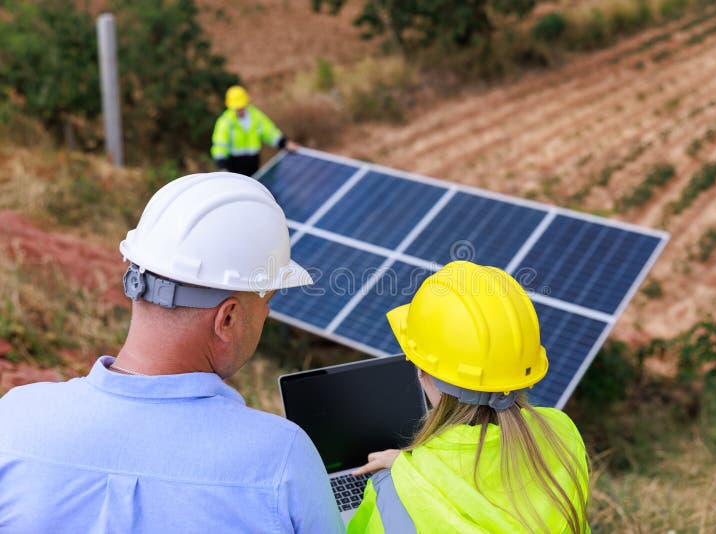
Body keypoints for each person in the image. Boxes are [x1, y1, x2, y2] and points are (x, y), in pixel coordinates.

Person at [0, 172, 345, 533]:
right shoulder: (281, 460)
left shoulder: (13, 418)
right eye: (266, 302)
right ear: (227, 317)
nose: (267, 315)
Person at [347, 261, 590, 533]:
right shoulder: (563, 436)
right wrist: (410, 468)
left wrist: (404, 476)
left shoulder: (395, 493)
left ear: (422, 372)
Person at [211, 85, 298, 177]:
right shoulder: (225, 121)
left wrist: (285, 143)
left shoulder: (255, 116)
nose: (239, 109)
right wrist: (222, 166)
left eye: (241, 106)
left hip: (253, 164)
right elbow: (220, 146)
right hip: (234, 167)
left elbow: (270, 132)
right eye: (236, 107)